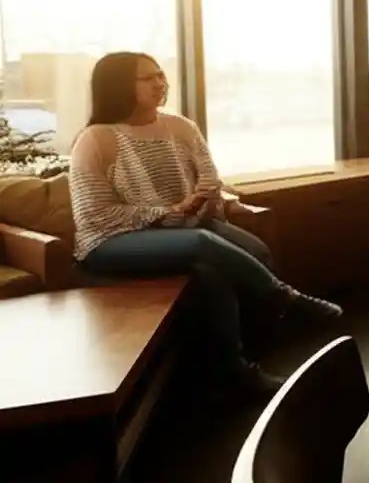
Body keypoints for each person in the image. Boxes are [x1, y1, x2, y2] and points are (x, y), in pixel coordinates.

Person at [69, 51, 343, 393]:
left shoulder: (180, 127)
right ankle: (285, 303)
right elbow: (94, 213)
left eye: (160, 75)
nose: (160, 83)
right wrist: (171, 212)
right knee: (202, 248)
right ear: (120, 85)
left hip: (185, 225)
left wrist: (195, 204)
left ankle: (246, 358)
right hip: (111, 240)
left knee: (253, 252)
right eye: (148, 78)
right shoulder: (95, 139)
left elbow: (209, 177)